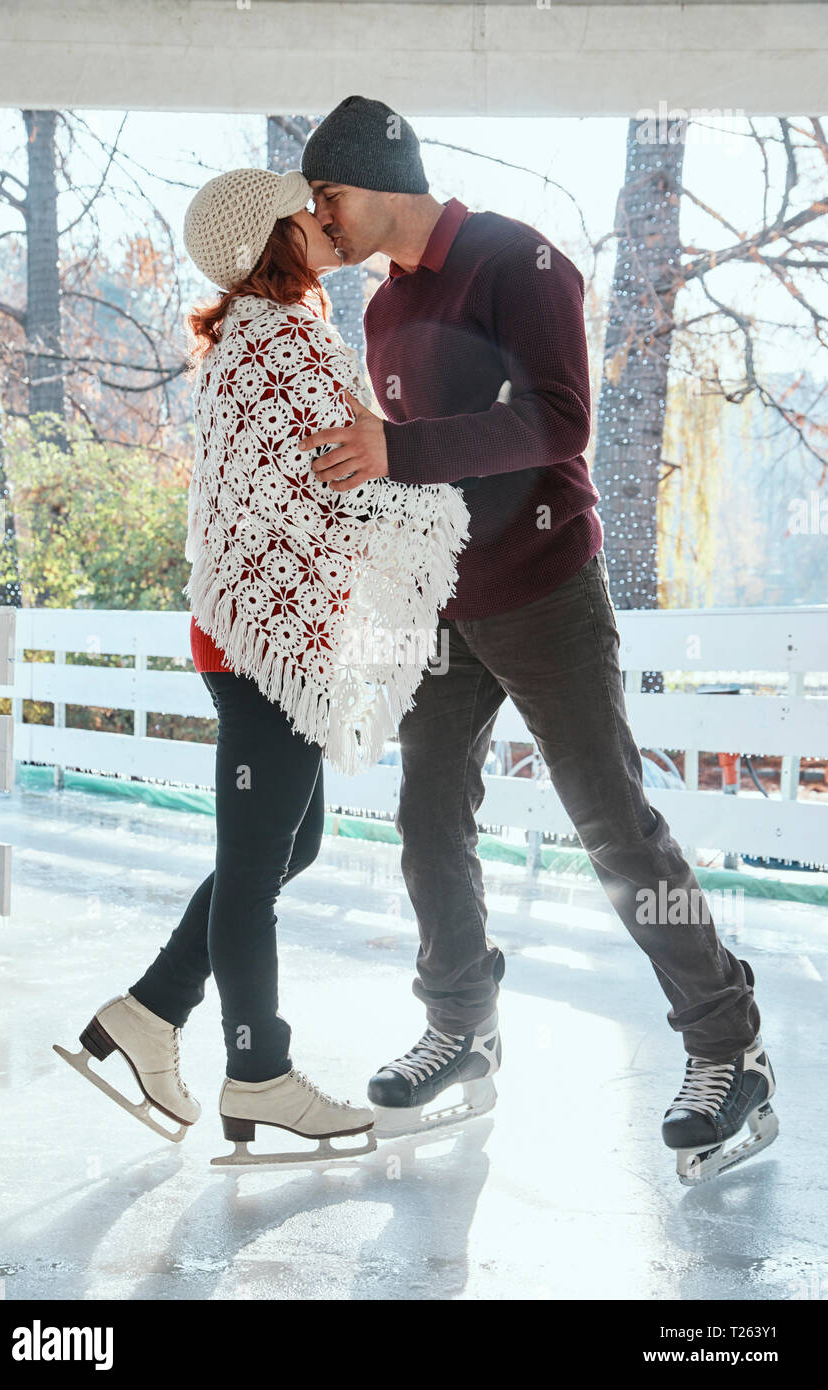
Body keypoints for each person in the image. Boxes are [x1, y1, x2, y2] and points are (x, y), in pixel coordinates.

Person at [296, 96, 778, 1184]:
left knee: (612, 825)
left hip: (547, 590)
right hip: (444, 604)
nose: (321, 221)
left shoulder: (520, 258)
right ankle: (460, 1024)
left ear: (379, 178)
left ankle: (725, 1042)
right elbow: (405, 464)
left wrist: (398, 451)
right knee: (426, 820)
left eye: (328, 198)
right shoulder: (377, 310)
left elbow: (560, 419)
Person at [53, 166, 471, 1166]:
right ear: (270, 235)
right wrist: (455, 494)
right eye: (306, 208)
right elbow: (348, 475)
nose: (324, 216)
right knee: (255, 866)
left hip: (252, 641)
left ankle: (151, 1011)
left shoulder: (266, 333)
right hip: (260, 645)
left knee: (289, 847)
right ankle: (259, 1072)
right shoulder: (279, 339)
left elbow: (312, 481)